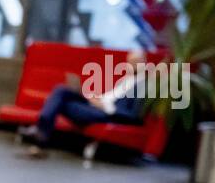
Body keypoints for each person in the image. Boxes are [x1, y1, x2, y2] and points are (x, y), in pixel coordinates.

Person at [19, 49, 148, 158]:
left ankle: (40, 133)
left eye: (135, 62)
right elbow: (111, 97)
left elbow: (134, 115)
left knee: (61, 101)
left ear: (144, 63)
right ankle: (41, 130)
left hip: (106, 114)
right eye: (130, 62)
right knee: (61, 90)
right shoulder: (125, 80)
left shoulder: (145, 86)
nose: (131, 65)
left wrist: (106, 107)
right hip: (97, 105)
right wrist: (96, 98)